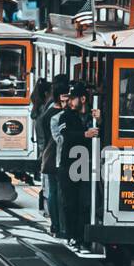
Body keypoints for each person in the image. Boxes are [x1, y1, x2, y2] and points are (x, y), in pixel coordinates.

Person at [52, 84, 99, 250]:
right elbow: (66, 135)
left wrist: (100, 120)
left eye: (72, 98)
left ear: (83, 99)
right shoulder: (66, 116)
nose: (69, 101)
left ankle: (83, 237)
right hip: (69, 165)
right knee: (70, 203)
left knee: (85, 203)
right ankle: (73, 235)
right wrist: (85, 134)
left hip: (87, 165)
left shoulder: (93, 115)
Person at [37, 78, 68, 235]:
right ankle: (59, 225)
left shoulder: (48, 111)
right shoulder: (58, 115)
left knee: (53, 191)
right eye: (65, 95)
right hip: (56, 156)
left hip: (49, 156)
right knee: (57, 191)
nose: (67, 99)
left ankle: (55, 225)